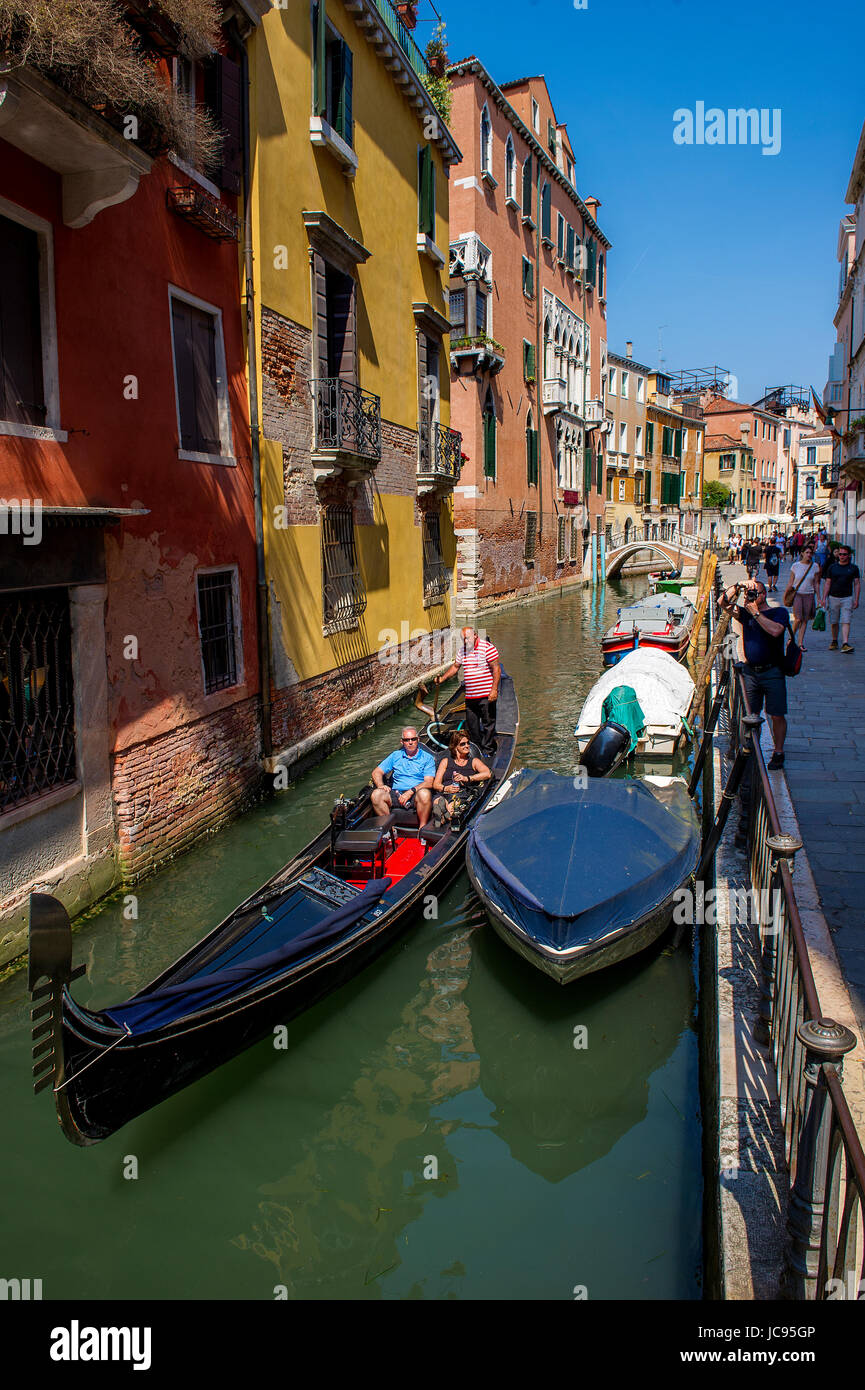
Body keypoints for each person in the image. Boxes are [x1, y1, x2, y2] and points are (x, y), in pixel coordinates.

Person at [720, 578, 791, 770]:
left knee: (776, 714)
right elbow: (722, 603)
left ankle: (778, 751)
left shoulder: (779, 612)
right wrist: (737, 586)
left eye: (754, 593)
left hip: (773, 671)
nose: (749, 597)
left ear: (764, 595)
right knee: (751, 713)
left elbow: (776, 631)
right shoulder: (745, 614)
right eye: (748, 594)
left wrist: (756, 613)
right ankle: (749, 749)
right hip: (751, 672)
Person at [436, 626, 501, 757]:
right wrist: (442, 678)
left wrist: (494, 690)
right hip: (471, 696)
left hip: (485, 695)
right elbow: (455, 667)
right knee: (472, 726)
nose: (465, 641)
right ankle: (476, 749)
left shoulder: (487, 648)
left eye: (467, 638)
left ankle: (488, 750)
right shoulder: (462, 651)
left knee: (488, 723)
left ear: (475, 635)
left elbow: (496, 669)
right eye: (463, 639)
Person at [371, 726, 436, 826]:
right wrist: (380, 785)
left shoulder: (427, 758)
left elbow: (429, 782)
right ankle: (389, 828)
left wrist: (411, 791)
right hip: (396, 793)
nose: (410, 742)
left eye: (413, 739)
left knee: (424, 794)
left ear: (418, 740)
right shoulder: (395, 755)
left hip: (416, 793)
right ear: (402, 742)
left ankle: (422, 829)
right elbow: (376, 772)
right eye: (407, 740)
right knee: (376, 795)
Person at [432, 731, 491, 827]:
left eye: (468, 743)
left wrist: (467, 778)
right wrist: (446, 788)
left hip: (462, 793)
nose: (467, 746)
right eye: (463, 744)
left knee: (451, 805)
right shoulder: (445, 761)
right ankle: (443, 811)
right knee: (437, 801)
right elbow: (436, 784)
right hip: (445, 792)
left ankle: (444, 814)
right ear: (455, 747)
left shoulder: (473, 761)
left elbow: (487, 773)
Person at [820, 544, 861, 653]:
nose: (842, 556)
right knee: (834, 621)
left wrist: (856, 599)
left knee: (846, 620)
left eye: (844, 554)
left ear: (849, 555)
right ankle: (834, 640)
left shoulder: (853, 568)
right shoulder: (832, 567)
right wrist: (824, 598)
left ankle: (845, 643)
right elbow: (827, 583)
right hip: (833, 597)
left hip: (847, 598)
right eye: (840, 554)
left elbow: (857, 584)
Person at [787, 543, 821, 650]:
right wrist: (787, 594)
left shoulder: (815, 566)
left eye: (811, 553)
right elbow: (791, 582)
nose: (809, 555)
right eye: (807, 552)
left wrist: (819, 597)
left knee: (805, 620)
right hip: (797, 594)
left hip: (809, 594)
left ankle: (800, 643)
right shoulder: (795, 566)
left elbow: (816, 583)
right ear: (802, 553)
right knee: (798, 618)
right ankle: (791, 638)